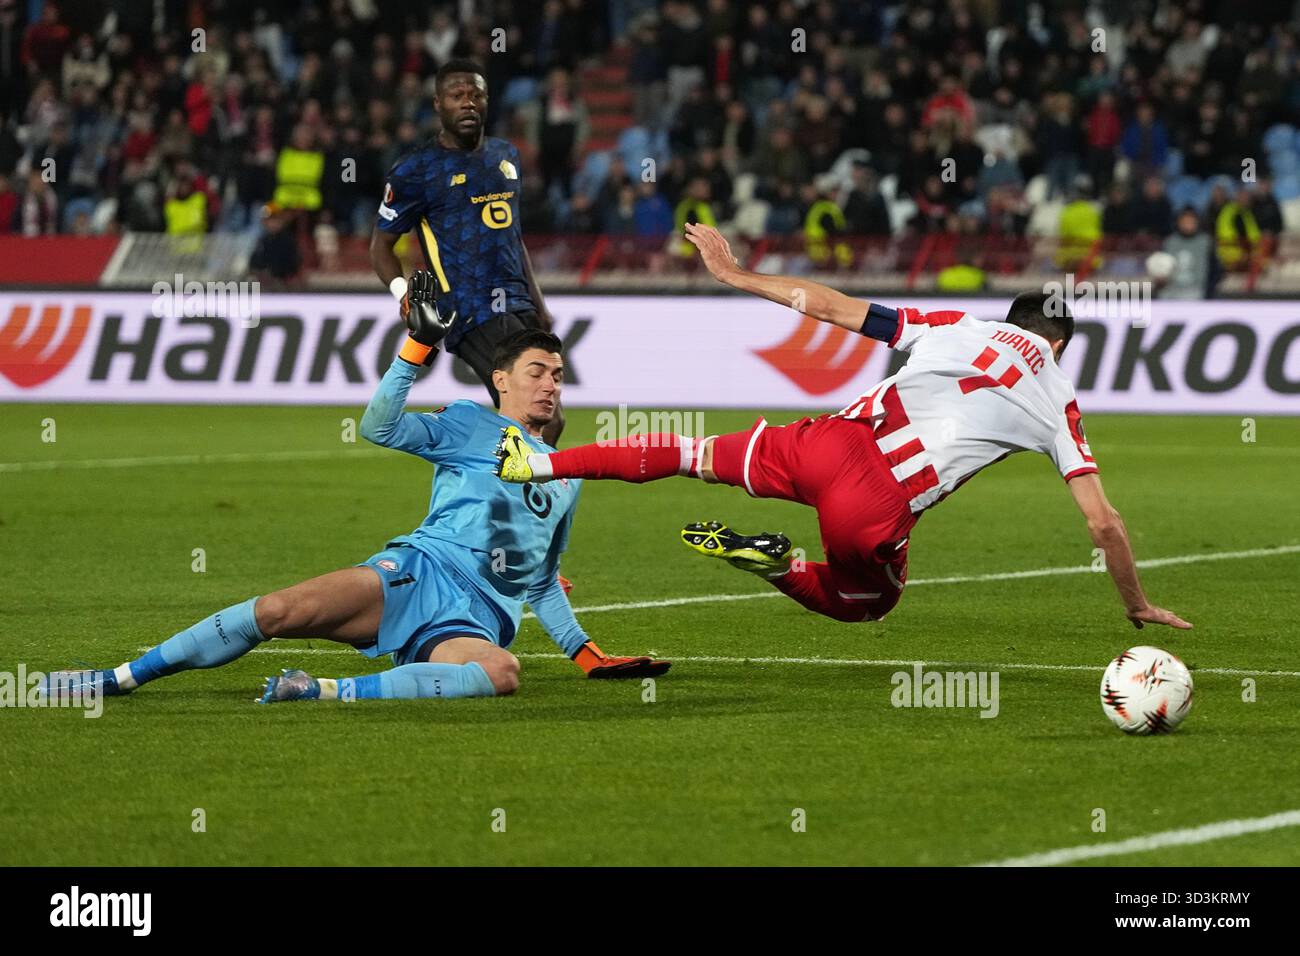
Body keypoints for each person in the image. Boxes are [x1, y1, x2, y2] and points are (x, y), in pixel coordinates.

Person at [495, 223, 1191, 634]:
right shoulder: (1056, 390)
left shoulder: (957, 324)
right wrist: (1137, 603)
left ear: (1009, 319)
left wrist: (737, 275)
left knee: (687, 451)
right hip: (876, 503)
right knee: (869, 600)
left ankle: (539, 465)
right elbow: (1102, 523)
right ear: (1061, 342)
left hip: (824, 443)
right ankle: (780, 562)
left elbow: (833, 307)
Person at [48, 273, 670, 704]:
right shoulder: (469, 423)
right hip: (416, 572)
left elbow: (541, 580)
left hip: (476, 618)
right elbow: (379, 426)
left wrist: (587, 655)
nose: (551, 385)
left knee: (502, 674)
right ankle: (116, 679)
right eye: (538, 372)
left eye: (558, 376)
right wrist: (418, 345)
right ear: (501, 379)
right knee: (276, 611)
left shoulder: (568, 475)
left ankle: (316, 690)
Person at [368, 60, 564, 447]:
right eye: (458, 96)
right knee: (540, 417)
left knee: (536, 424)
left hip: (519, 304)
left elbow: (514, 238)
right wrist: (404, 295)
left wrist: (538, 304)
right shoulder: (415, 171)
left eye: (476, 94)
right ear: (438, 104)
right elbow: (381, 247)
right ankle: (526, 503)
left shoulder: (506, 157)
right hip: (471, 310)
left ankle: (505, 497)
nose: (469, 103)